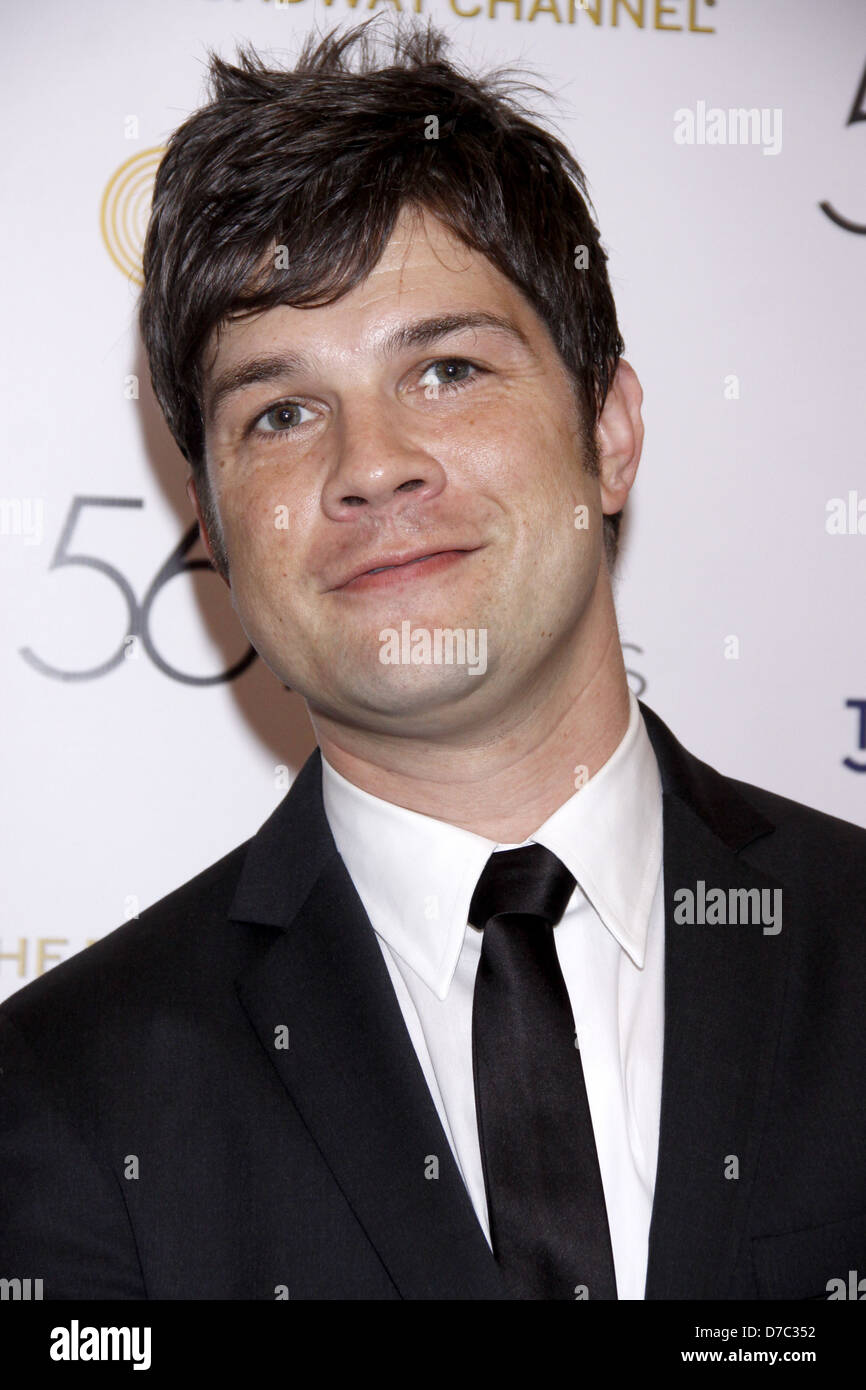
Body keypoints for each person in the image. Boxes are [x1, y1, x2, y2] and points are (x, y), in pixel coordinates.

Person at [2, 17, 865, 1302]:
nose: (370, 465)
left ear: (608, 430)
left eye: (447, 369)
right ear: (219, 524)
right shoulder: (58, 1097)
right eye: (281, 412)